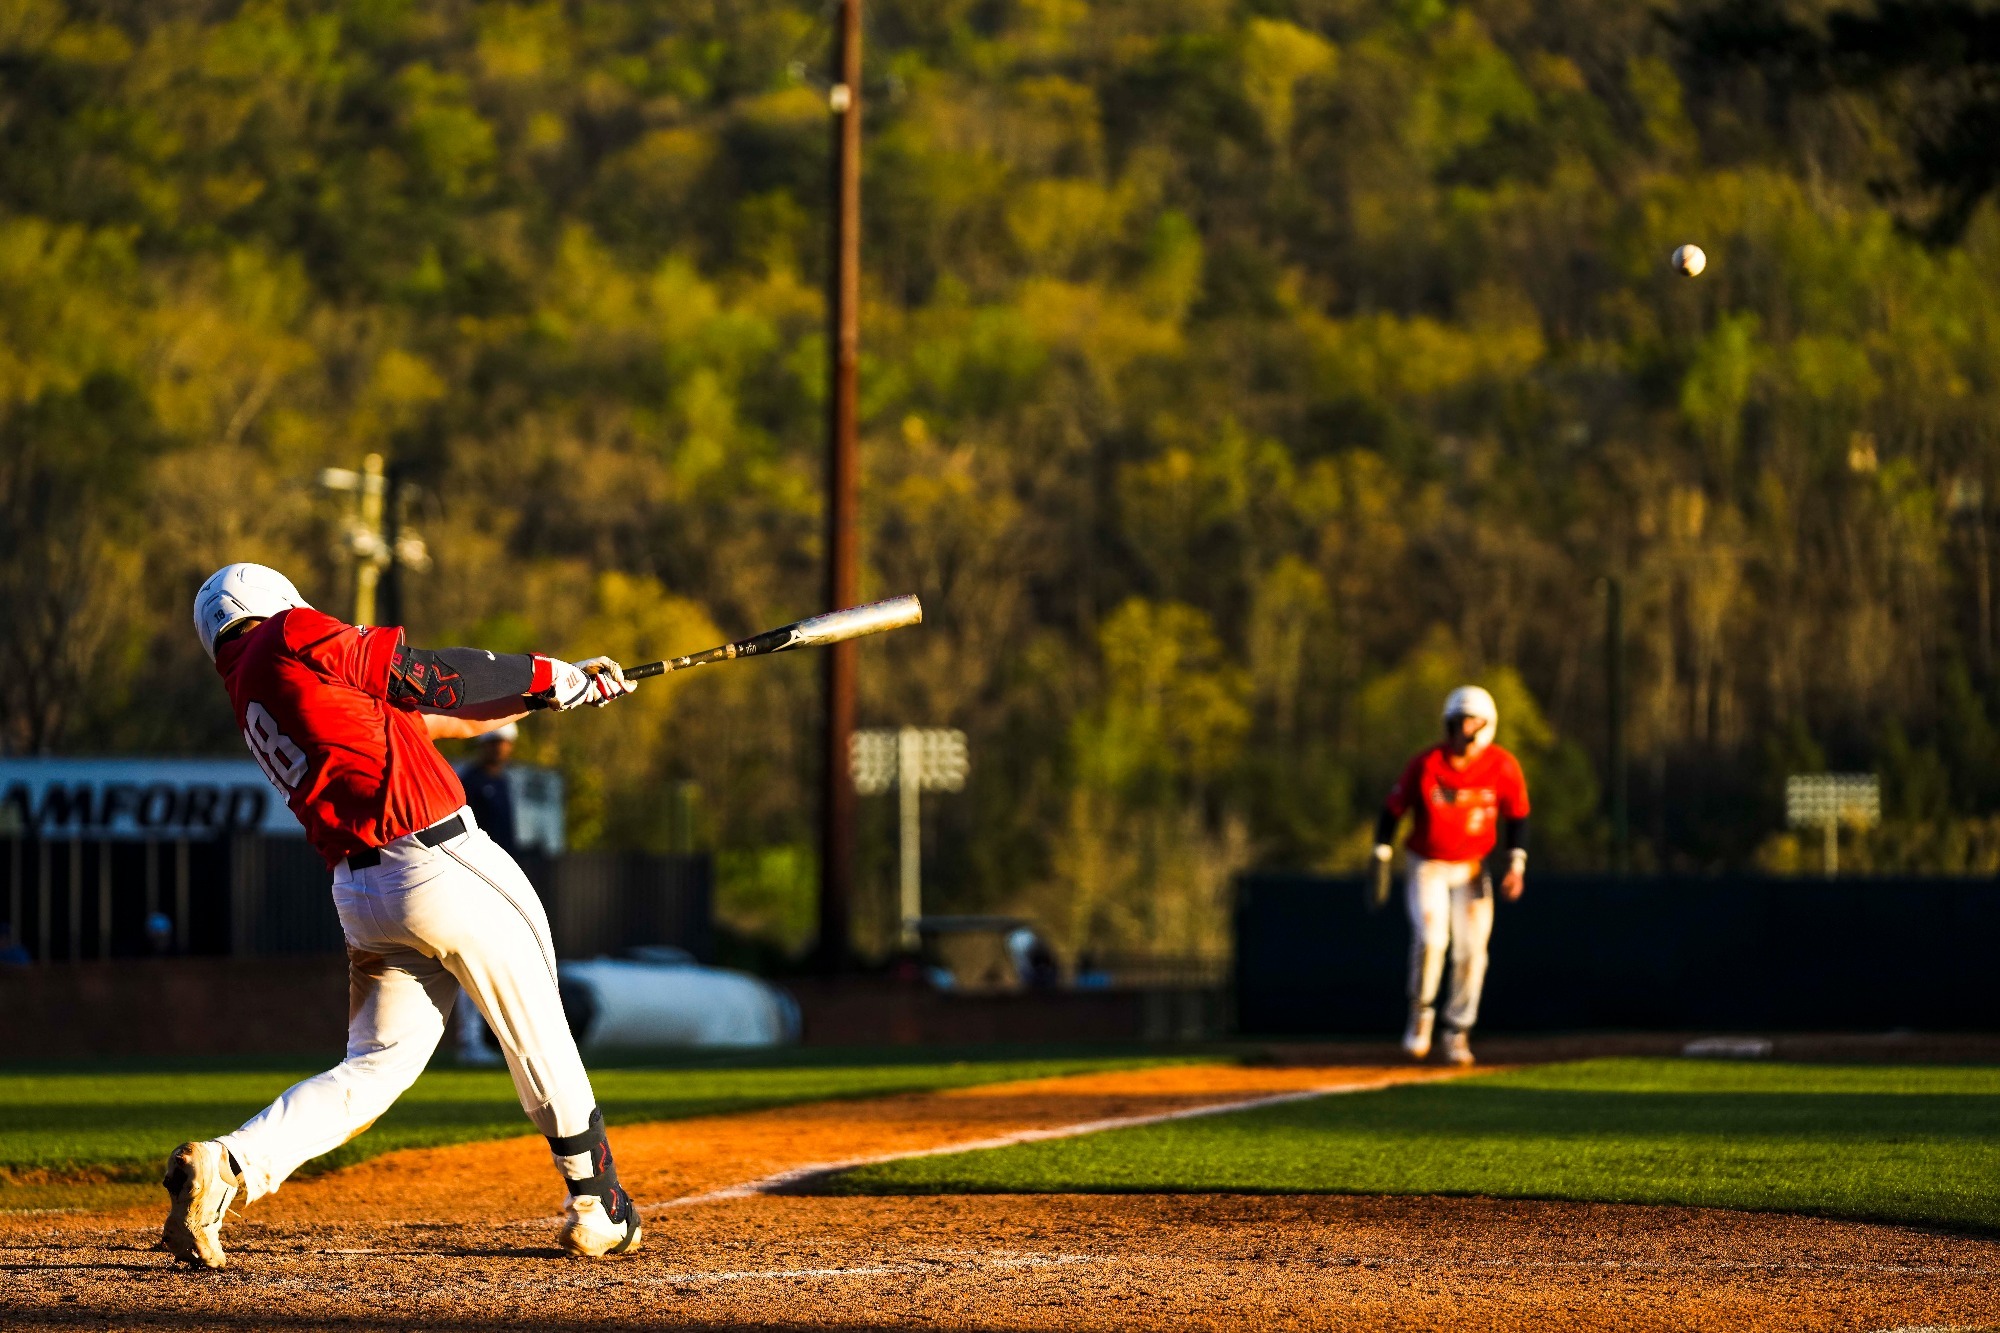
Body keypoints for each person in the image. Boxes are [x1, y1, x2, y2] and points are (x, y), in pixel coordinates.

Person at [162, 563, 643, 1269]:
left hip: (365, 894)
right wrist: (549, 672)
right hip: (439, 857)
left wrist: (555, 693)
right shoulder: (289, 633)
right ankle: (597, 1201)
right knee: (538, 1018)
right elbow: (422, 673)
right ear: (271, 600)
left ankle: (229, 1163)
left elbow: (426, 716)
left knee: (374, 1066)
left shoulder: (251, 684)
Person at [1372, 685, 1531, 1067]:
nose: (1464, 730)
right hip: (1428, 865)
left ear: (1487, 725)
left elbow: (1518, 815)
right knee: (1431, 939)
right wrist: (1381, 851)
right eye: (1457, 722)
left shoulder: (1502, 765)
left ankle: (1458, 1029)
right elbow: (1393, 808)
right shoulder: (1427, 764)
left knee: (1473, 950)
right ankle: (1421, 1013)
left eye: (1471, 722)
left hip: (1473, 868)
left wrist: (1516, 864)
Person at [459, 724, 519, 858]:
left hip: (502, 859)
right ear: (483, 745)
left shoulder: (503, 781)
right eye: (494, 743)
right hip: (477, 859)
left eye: (505, 743)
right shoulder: (470, 781)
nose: (500, 749)